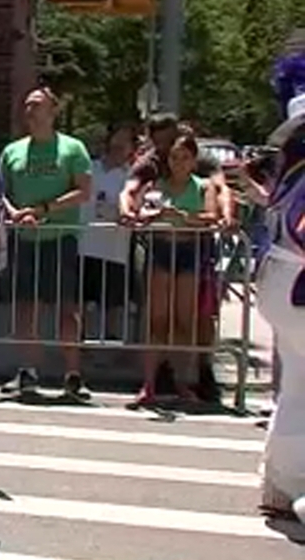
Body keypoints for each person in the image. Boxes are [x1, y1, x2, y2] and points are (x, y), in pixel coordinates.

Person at [0, 86, 93, 401]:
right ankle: (27, 371)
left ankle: (73, 375)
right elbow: (1, 191)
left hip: (60, 238)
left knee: (67, 308)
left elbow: (83, 191)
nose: (30, 110)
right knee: (26, 308)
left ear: (53, 111)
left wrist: (43, 209)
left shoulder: (72, 148)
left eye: (37, 105)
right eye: (27, 105)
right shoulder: (12, 151)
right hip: (24, 239)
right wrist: (15, 213)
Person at [120, 130, 220, 406]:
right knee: (157, 320)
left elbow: (211, 216)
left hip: (189, 251)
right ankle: (149, 383)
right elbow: (138, 210)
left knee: (184, 321)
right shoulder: (156, 185)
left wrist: (185, 217)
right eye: (175, 157)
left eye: (185, 157)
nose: (179, 163)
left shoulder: (203, 186)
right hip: (161, 249)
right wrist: (152, 214)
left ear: (193, 160)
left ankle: (183, 382)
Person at [259, 52, 305, 518]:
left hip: (281, 281)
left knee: (296, 386)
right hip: (298, 283)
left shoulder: (290, 172)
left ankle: (280, 483)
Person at [80, 123, 137, 340]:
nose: (119, 144)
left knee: (113, 300)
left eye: (125, 141)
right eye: (117, 138)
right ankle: (80, 341)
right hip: (85, 243)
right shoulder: (89, 168)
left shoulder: (132, 175)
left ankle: (112, 341)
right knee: (82, 298)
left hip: (115, 247)